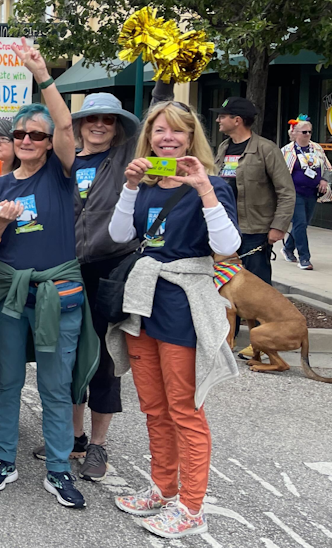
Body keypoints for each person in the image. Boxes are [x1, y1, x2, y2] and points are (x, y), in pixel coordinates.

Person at [107, 101, 240, 539]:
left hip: (182, 303)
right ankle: (163, 489)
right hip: (142, 304)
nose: (167, 137)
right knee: (153, 408)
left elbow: (226, 244)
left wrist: (202, 188)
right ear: (149, 136)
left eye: (177, 131)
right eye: (160, 130)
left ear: (190, 137)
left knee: (185, 409)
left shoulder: (214, 184)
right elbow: (120, 236)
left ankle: (191, 506)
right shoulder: (145, 183)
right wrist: (129, 186)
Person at [0, 39, 94, 509]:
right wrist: (1, 220)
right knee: (5, 381)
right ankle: (3, 460)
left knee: (54, 385)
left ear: (50, 144)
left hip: (56, 295)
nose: (27, 141)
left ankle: (59, 470)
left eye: (37, 136)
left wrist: (42, 74)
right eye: (20, 135)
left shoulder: (62, 174)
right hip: (9, 294)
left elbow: (65, 123)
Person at [32, 90, 161, 481]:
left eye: (108, 119)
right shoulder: (65, 162)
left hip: (111, 268)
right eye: (92, 119)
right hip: (69, 269)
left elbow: (156, 119)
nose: (100, 125)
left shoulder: (125, 158)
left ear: (119, 126)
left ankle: (99, 446)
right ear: (82, 125)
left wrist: (165, 81)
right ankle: (75, 438)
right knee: (70, 357)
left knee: (105, 361)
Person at [213, 97, 294, 286]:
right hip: (226, 229)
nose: (218, 120)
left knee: (255, 289)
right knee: (227, 286)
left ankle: (259, 318)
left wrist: (278, 226)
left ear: (237, 120)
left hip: (255, 232)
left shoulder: (267, 149)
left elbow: (286, 192)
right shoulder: (224, 147)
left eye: (222, 116)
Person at [280, 116, 331, 269]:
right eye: (304, 132)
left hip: (312, 192)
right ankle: (304, 258)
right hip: (294, 193)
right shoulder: (287, 151)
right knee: (300, 223)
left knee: (302, 224)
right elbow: (279, 173)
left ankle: (288, 248)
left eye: (309, 132)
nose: (307, 134)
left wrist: (323, 180)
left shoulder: (317, 148)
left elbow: (327, 167)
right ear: (294, 133)